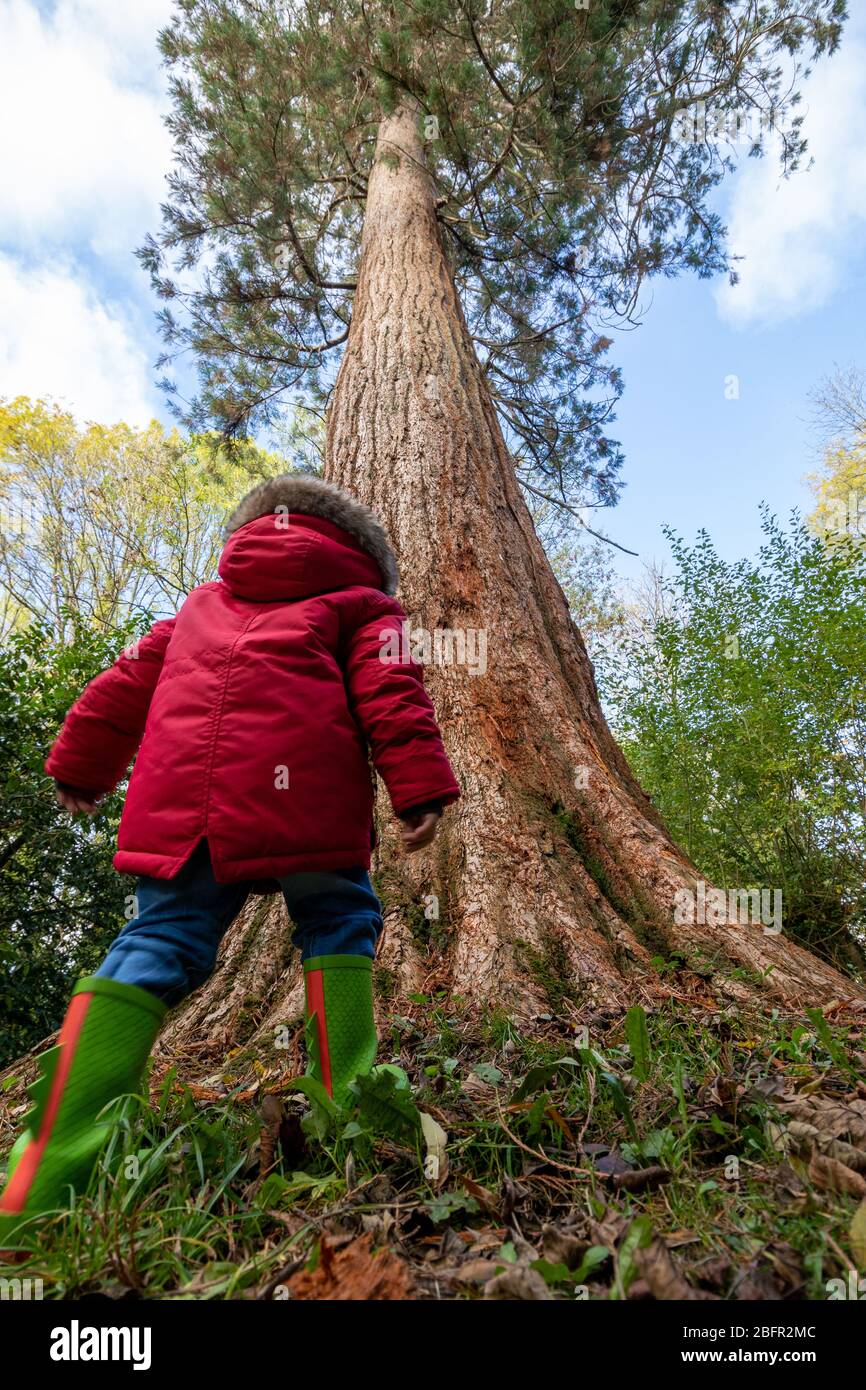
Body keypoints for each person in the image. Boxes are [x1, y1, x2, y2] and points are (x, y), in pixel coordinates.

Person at [0, 473, 460, 1252]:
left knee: (157, 944)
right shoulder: (366, 606)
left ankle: (44, 1179)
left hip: (189, 813)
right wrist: (416, 789)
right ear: (362, 554)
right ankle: (347, 1111)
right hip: (306, 804)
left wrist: (80, 766)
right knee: (340, 921)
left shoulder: (197, 609)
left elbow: (122, 686)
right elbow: (393, 691)